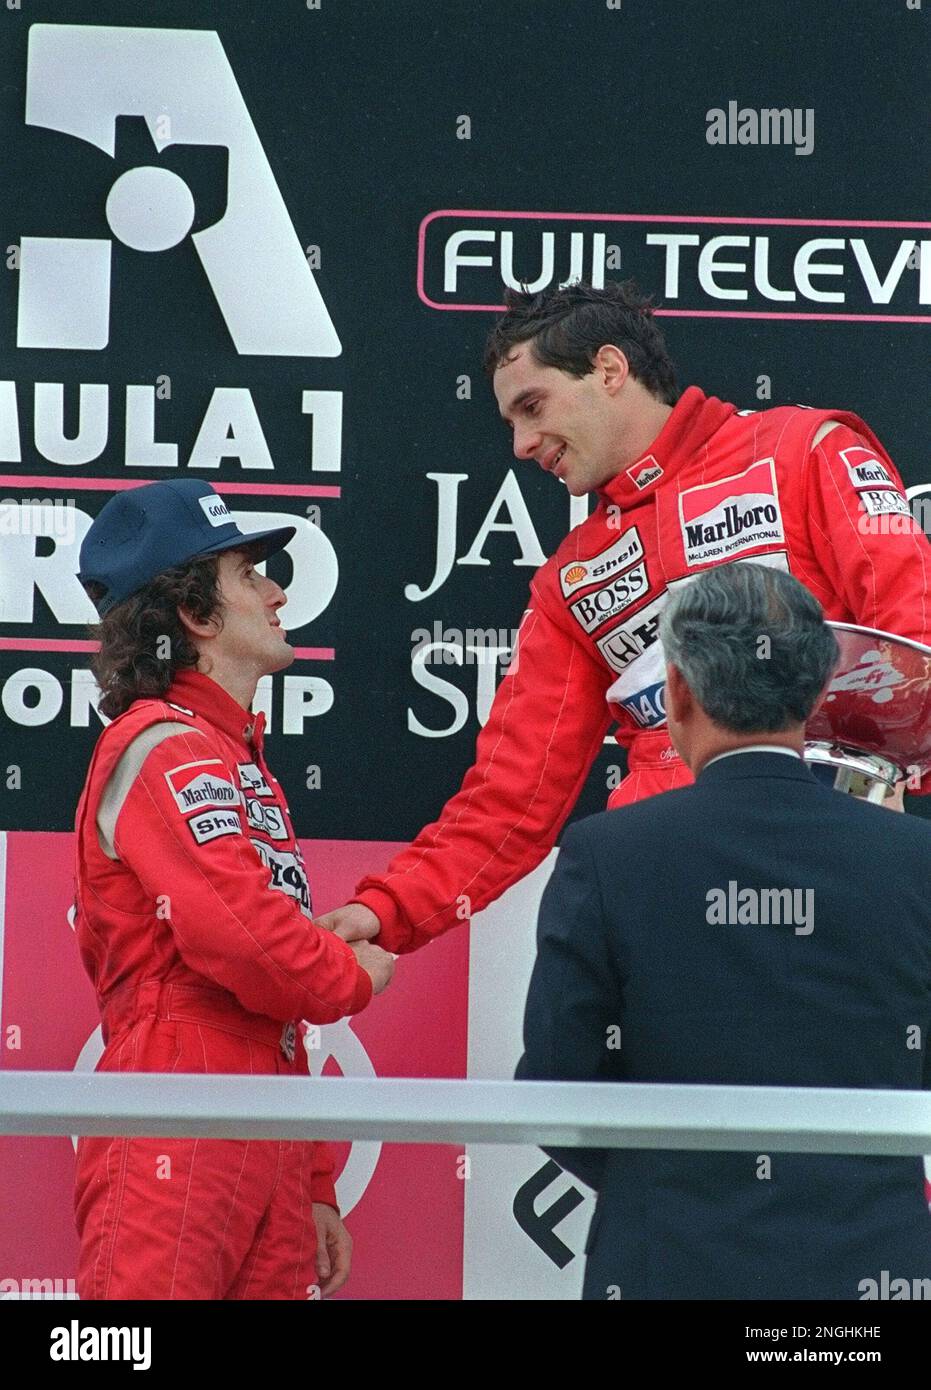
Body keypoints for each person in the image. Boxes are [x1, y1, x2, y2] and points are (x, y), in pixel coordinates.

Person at [322, 279, 931, 956]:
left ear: (609, 369)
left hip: (824, 862)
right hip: (662, 889)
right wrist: (386, 911)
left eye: (532, 406)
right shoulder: (570, 579)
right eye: (510, 423)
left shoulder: (801, 448)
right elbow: (509, 799)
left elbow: (910, 637)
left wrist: (886, 811)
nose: (521, 444)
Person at [516, 563, 931, 1300]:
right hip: (870, 1270)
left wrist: (664, 1180)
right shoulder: (912, 859)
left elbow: (555, 1080)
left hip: (668, 1262)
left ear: (677, 690)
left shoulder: (608, 854)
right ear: (815, 690)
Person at [72, 478, 394, 1300]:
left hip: (260, 1112)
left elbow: (266, 983)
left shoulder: (229, 754)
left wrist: (311, 1174)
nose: (278, 589)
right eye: (250, 574)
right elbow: (242, 940)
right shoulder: (164, 747)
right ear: (196, 615)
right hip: (180, 1101)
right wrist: (348, 975)